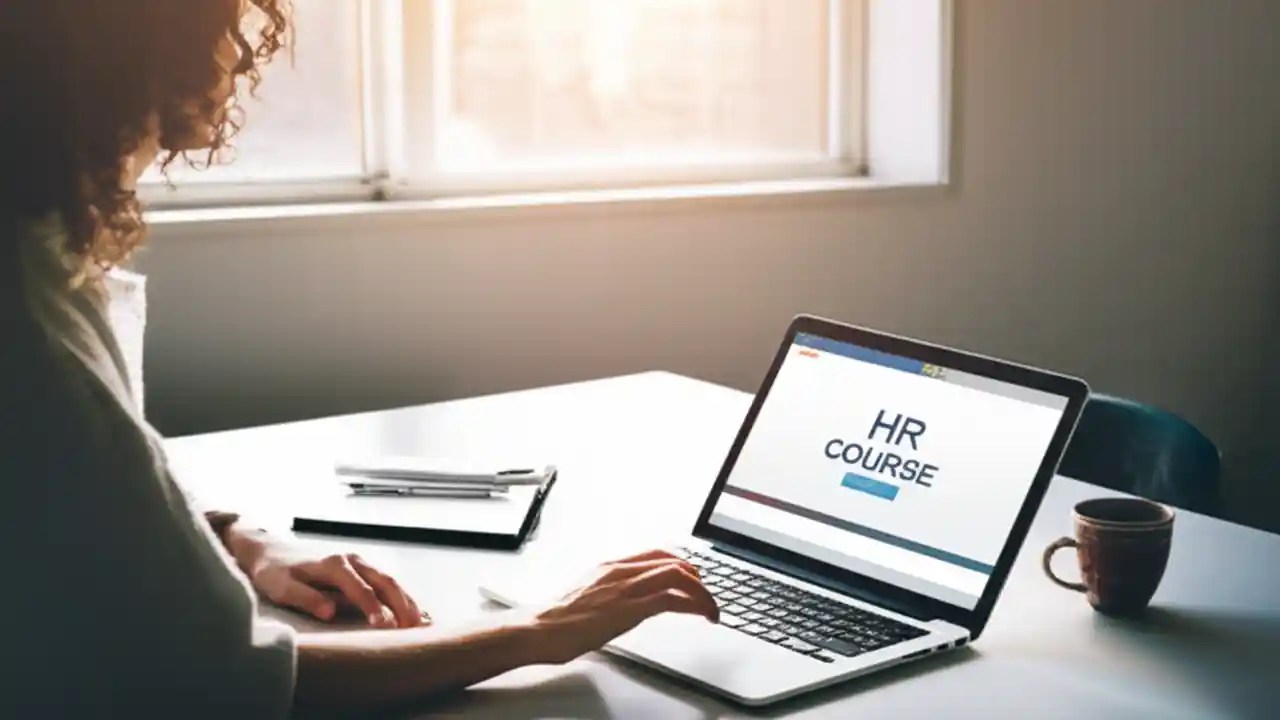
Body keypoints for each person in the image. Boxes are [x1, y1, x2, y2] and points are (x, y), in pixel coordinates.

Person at [0, 1, 719, 716]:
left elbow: (67, 510)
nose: (239, 52)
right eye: (223, 25)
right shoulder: (30, 317)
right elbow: (227, 681)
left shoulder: (40, 245)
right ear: (146, 45)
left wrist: (234, 540)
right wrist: (541, 628)